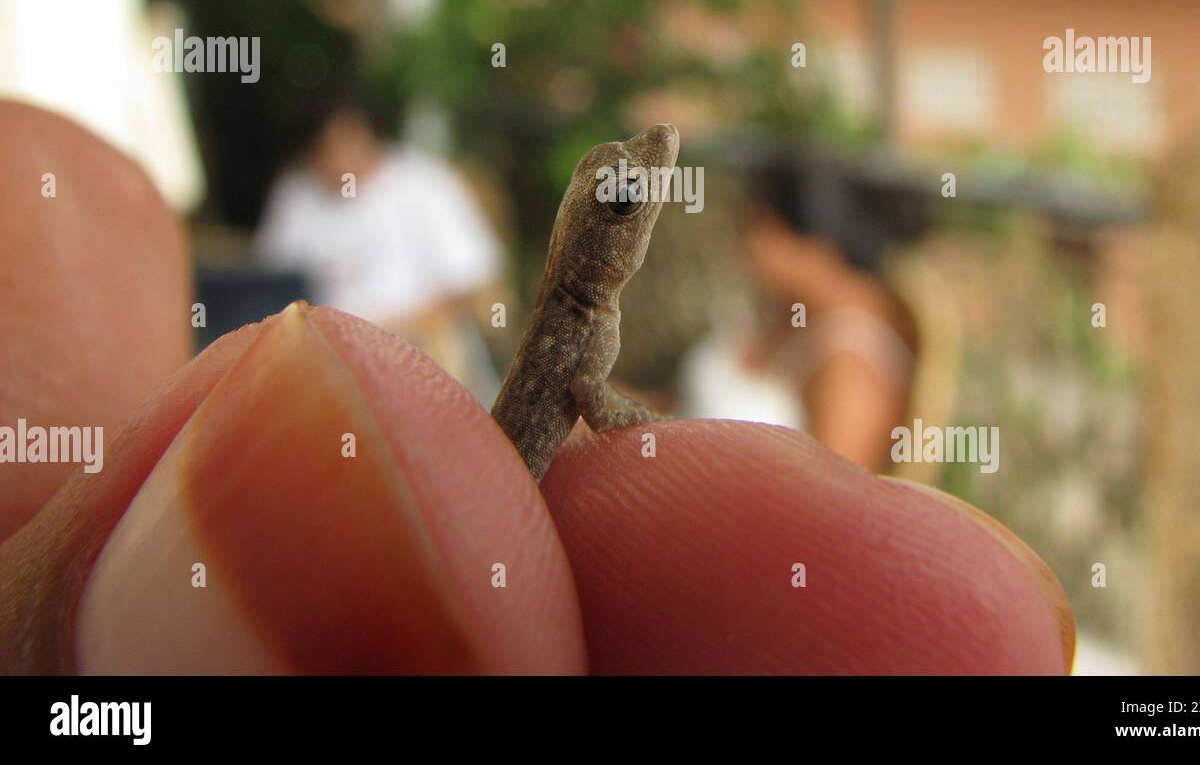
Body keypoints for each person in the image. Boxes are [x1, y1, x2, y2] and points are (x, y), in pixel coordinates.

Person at [0, 101, 1074, 674]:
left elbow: (605, 415)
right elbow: (603, 414)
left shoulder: (594, 321)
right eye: (619, 194)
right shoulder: (583, 325)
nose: (646, 193)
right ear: (594, 244)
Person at [254, 96, 502, 404]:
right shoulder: (295, 195)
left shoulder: (424, 184)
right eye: (325, 148)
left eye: (346, 143)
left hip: (417, 356)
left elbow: (468, 281)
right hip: (321, 362)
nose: (338, 158)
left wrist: (384, 331)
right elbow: (271, 284)